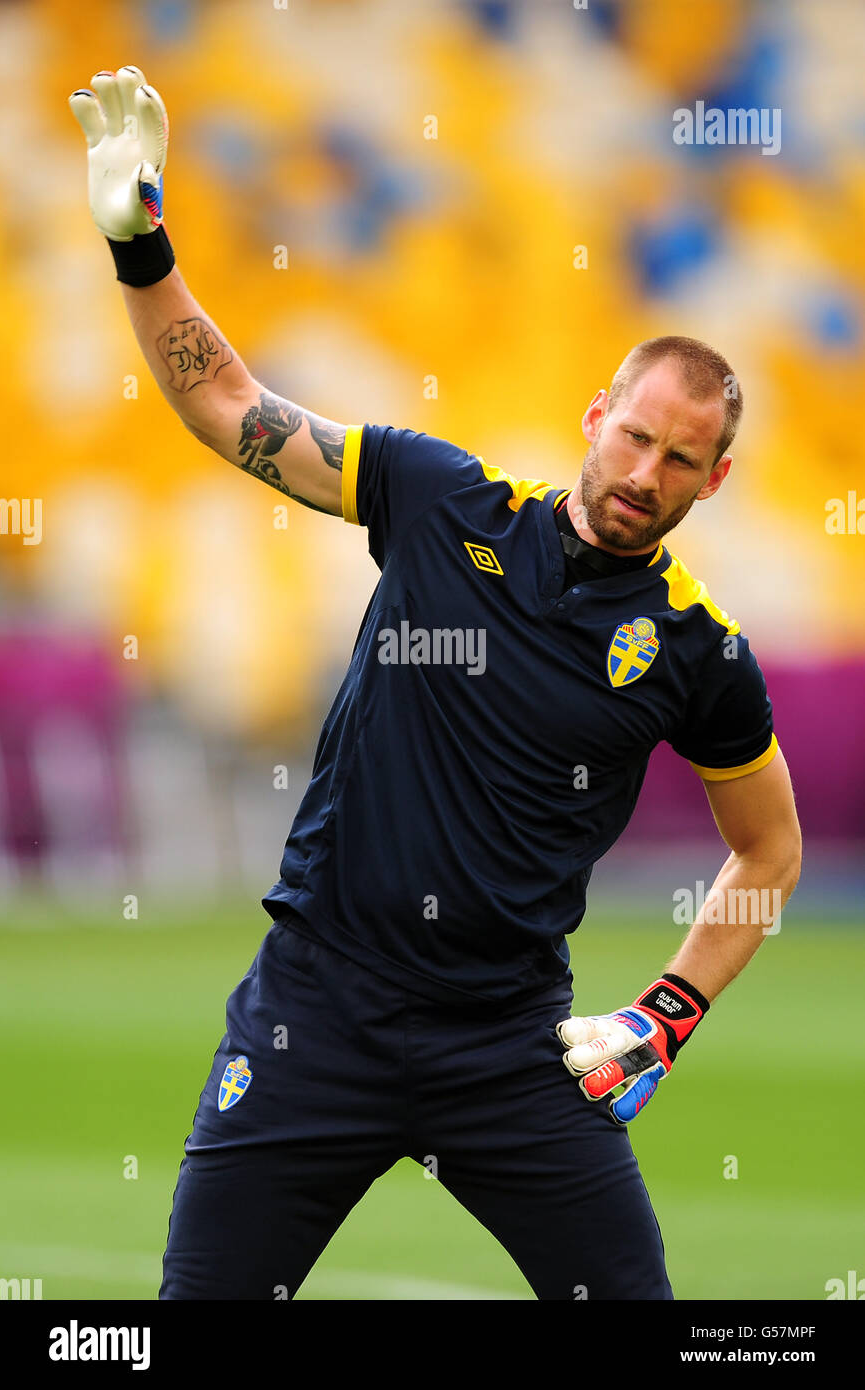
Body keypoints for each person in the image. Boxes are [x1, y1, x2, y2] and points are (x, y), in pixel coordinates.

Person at [69, 67, 802, 1301]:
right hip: (318, 1012)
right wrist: (139, 246)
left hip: (508, 1045)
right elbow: (226, 406)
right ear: (594, 415)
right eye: (632, 435)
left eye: (679, 459)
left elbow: (768, 849)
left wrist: (663, 1016)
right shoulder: (435, 497)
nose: (643, 471)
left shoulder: (698, 650)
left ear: (711, 483)